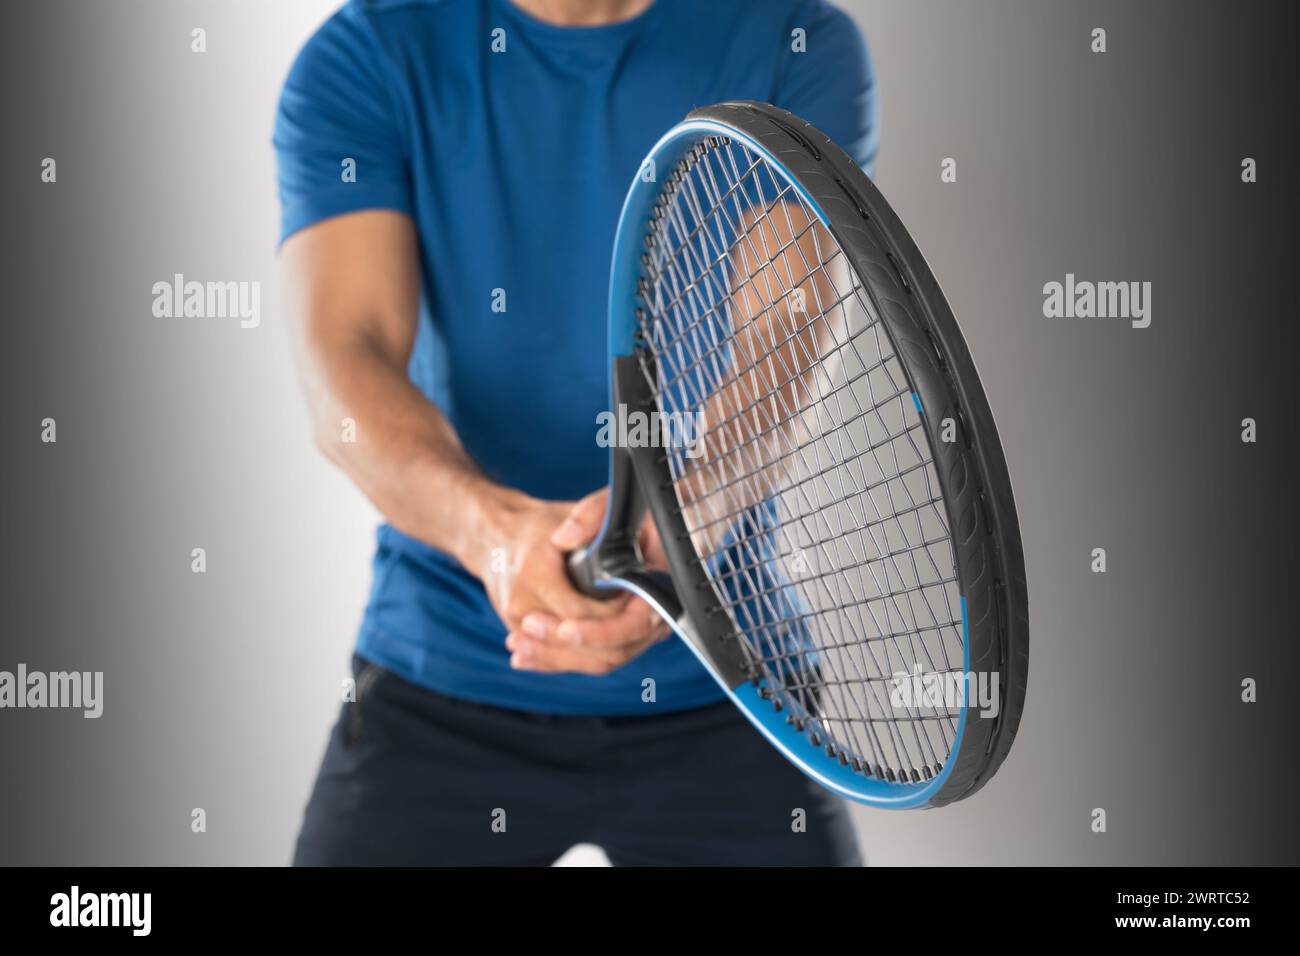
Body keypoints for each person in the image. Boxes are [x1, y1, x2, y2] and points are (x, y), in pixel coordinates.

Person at [275, 0, 878, 866]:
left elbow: (777, 355)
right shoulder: (368, 51)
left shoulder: (795, 39)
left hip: (730, 681)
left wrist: (676, 536)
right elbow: (344, 361)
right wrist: (494, 539)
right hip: (439, 676)